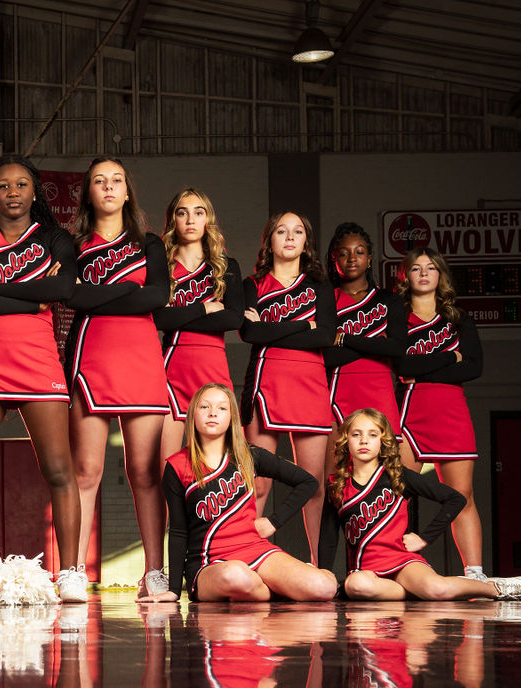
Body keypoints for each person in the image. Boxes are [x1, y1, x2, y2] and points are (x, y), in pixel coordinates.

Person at [0, 154, 85, 601]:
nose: (12, 192)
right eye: (4, 185)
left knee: (60, 470)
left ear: (34, 192)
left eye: (21, 184)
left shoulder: (55, 238)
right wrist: (30, 300)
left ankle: (70, 573)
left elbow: (61, 291)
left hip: (39, 359)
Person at [64, 156, 171, 598]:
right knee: (85, 472)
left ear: (127, 191)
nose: (108, 187)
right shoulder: (73, 245)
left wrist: (101, 297)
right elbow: (72, 295)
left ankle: (154, 574)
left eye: (116, 181)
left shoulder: (151, 243)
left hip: (142, 357)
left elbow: (159, 297)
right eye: (99, 181)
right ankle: (72, 570)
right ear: (89, 192)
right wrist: (129, 291)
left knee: (145, 471)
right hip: (91, 357)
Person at [318, 409, 521, 600]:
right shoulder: (336, 485)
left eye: (372, 434)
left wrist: (424, 537)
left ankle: (496, 588)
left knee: (437, 589)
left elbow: (456, 498)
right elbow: (329, 537)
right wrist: (325, 575)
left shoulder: (397, 475)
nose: (364, 440)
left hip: (402, 562)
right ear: (346, 440)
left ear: (383, 441)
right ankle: (417, 592)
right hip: (366, 570)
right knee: (356, 585)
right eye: (356, 434)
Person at [159, 384, 337, 603]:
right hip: (209, 563)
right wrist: (174, 591)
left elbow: (307, 481)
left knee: (324, 588)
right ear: (192, 414)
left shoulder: (248, 455)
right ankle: (278, 590)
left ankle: (269, 589)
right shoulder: (177, 466)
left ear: (231, 417)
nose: (213, 412)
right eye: (204, 406)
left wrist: (273, 522)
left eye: (222, 408)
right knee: (236, 577)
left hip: (255, 549)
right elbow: (178, 531)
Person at [239, 212, 336, 562]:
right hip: (266, 384)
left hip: (310, 385)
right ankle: (248, 558)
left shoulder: (319, 288)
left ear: (306, 241)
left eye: (298, 231)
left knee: (314, 483)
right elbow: (250, 333)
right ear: (270, 240)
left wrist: (272, 327)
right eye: (282, 231)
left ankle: (319, 566)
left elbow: (325, 336)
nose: (290, 237)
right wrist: (303, 326)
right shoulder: (253, 284)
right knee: (258, 482)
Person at [395, 247, 490, 580]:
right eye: (416, 268)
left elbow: (474, 368)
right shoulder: (396, 315)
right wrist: (451, 359)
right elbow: (400, 364)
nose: (424, 273)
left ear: (441, 275)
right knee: (396, 492)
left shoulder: (459, 318)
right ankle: (393, 564)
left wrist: (422, 370)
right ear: (405, 276)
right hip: (407, 409)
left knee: (462, 495)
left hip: (450, 410)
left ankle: (474, 571)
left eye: (431, 267)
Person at [155, 188, 244, 460]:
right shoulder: (161, 266)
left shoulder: (226, 266)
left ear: (208, 220)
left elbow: (233, 318)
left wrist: (179, 314)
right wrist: (205, 308)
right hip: (171, 369)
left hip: (213, 368)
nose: (191, 219)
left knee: (217, 462)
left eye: (198, 212)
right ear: (173, 221)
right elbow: (159, 318)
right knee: (164, 465)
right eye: (182, 213)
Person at [323, 222, 404, 428]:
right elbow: (327, 356)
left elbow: (397, 347)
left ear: (368, 259)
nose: (352, 258)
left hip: (381, 389)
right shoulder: (326, 300)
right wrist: (377, 344)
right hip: (338, 391)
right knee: (338, 458)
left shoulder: (388, 299)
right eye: (344, 253)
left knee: (383, 459)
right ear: (335, 259)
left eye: (359, 252)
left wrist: (344, 339)